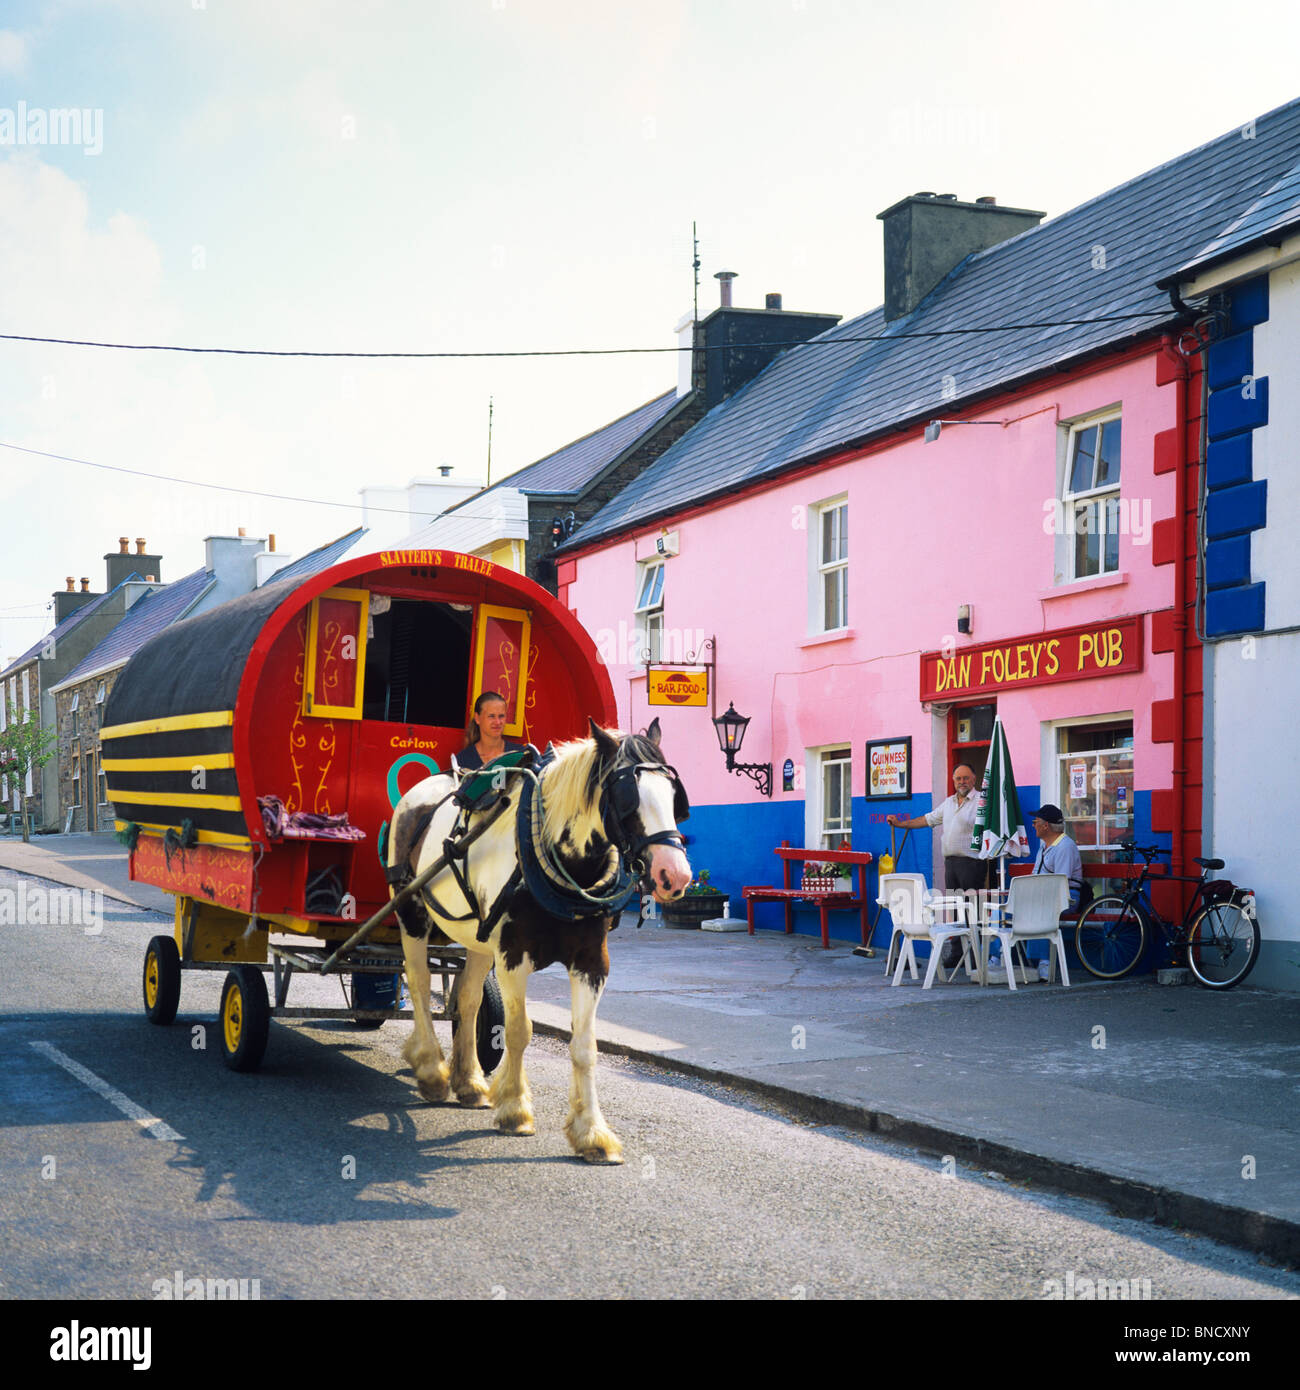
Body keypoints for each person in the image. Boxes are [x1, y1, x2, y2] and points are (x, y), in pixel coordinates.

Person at [887, 765, 987, 967]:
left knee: (973, 910)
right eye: (958, 778)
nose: (962, 782)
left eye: (966, 778)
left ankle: (976, 956)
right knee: (956, 911)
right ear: (953, 780)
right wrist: (901, 824)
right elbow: (929, 819)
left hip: (973, 863)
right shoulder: (949, 803)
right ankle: (958, 954)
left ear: (974, 779)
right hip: (951, 863)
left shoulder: (981, 802)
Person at [1030, 804, 1084, 909]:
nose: (1033, 825)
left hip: (1065, 898)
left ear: (1045, 826)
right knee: (1001, 913)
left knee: (1007, 913)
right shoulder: (1043, 847)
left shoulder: (1065, 846)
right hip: (1044, 896)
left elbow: (1060, 883)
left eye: (1035, 822)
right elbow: (1035, 875)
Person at [456, 691, 524, 771]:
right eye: (491, 716)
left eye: (501, 716)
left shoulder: (519, 754)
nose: (498, 722)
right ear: (477, 718)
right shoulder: (463, 759)